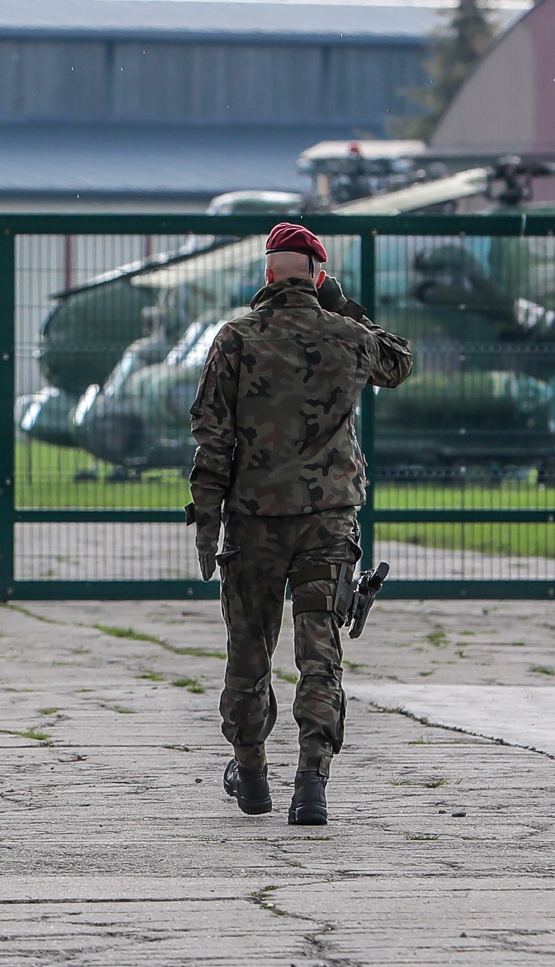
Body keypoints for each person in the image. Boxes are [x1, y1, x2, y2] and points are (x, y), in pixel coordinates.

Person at [187, 222, 412, 826]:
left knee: (248, 651)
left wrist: (207, 519)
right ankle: (311, 783)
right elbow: (399, 364)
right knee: (320, 653)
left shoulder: (235, 338)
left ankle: (253, 773)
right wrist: (344, 307)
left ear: (266, 276)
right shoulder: (347, 336)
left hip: (254, 520)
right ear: (318, 275)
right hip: (327, 521)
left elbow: (212, 434)